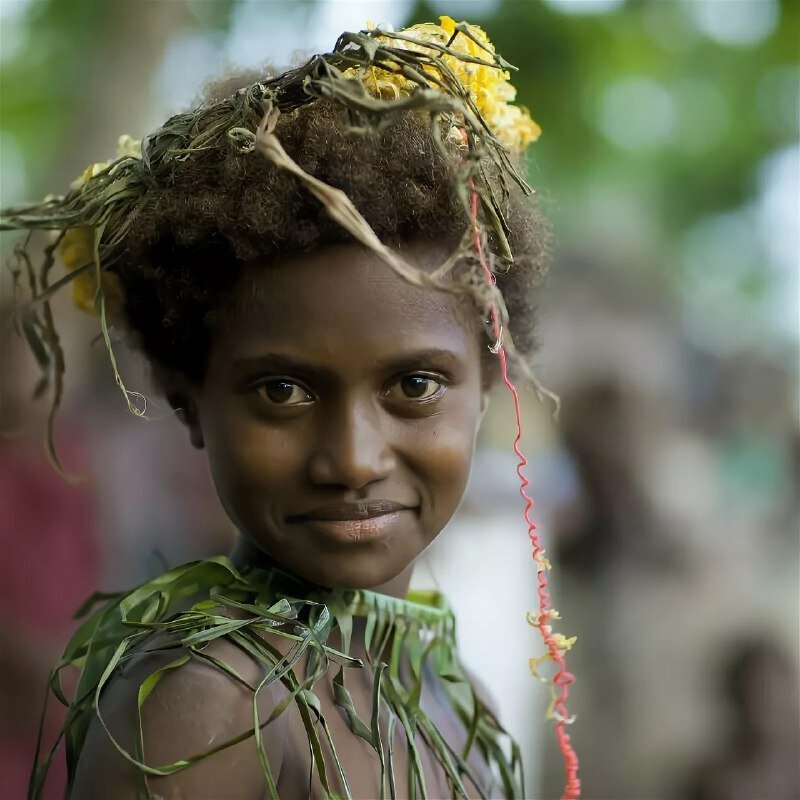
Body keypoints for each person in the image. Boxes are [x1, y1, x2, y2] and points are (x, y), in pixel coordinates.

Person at [2, 17, 579, 800]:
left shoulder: (452, 692)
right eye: (283, 391)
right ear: (188, 397)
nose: (351, 458)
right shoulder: (204, 713)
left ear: (488, 381)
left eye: (413, 386)